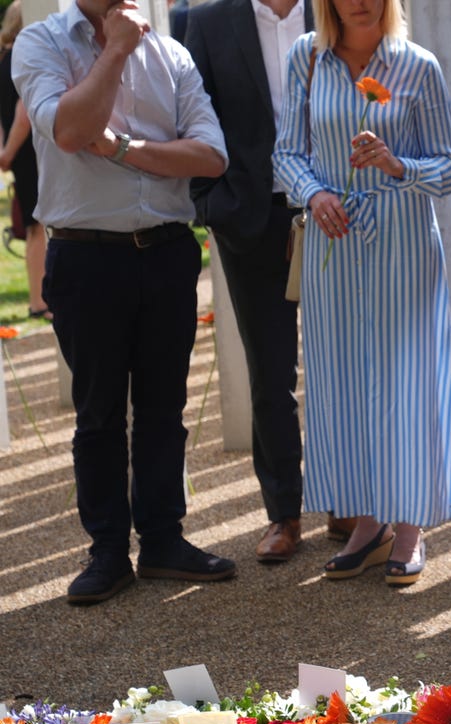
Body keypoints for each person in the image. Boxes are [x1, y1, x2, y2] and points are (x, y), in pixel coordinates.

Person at [13, 0, 235, 605]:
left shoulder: (172, 53)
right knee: (99, 415)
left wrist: (121, 149)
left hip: (166, 251)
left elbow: (212, 154)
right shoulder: (42, 45)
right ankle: (108, 551)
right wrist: (113, 50)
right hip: (86, 258)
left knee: (165, 409)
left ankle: (163, 540)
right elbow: (66, 129)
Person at [272, 0, 451, 585]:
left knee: (405, 380)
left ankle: (408, 527)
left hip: (402, 241)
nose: (358, 1)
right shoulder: (305, 60)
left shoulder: (417, 65)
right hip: (331, 244)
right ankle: (366, 523)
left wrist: (395, 165)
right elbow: (287, 153)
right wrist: (313, 193)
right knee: (341, 381)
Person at [184, 0, 311, 564]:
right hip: (251, 220)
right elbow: (190, 114)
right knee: (271, 374)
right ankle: (283, 512)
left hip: (336, 214)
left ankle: (349, 503)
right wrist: (212, 205)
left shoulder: (334, 9)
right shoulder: (209, 22)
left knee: (345, 370)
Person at [0, 2, 49, 321]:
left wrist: (4, 152)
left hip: (18, 154)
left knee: (34, 227)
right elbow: (26, 111)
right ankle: (41, 302)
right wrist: (9, 151)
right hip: (30, 151)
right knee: (40, 225)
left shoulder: (2, 59)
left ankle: (38, 300)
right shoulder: (25, 55)